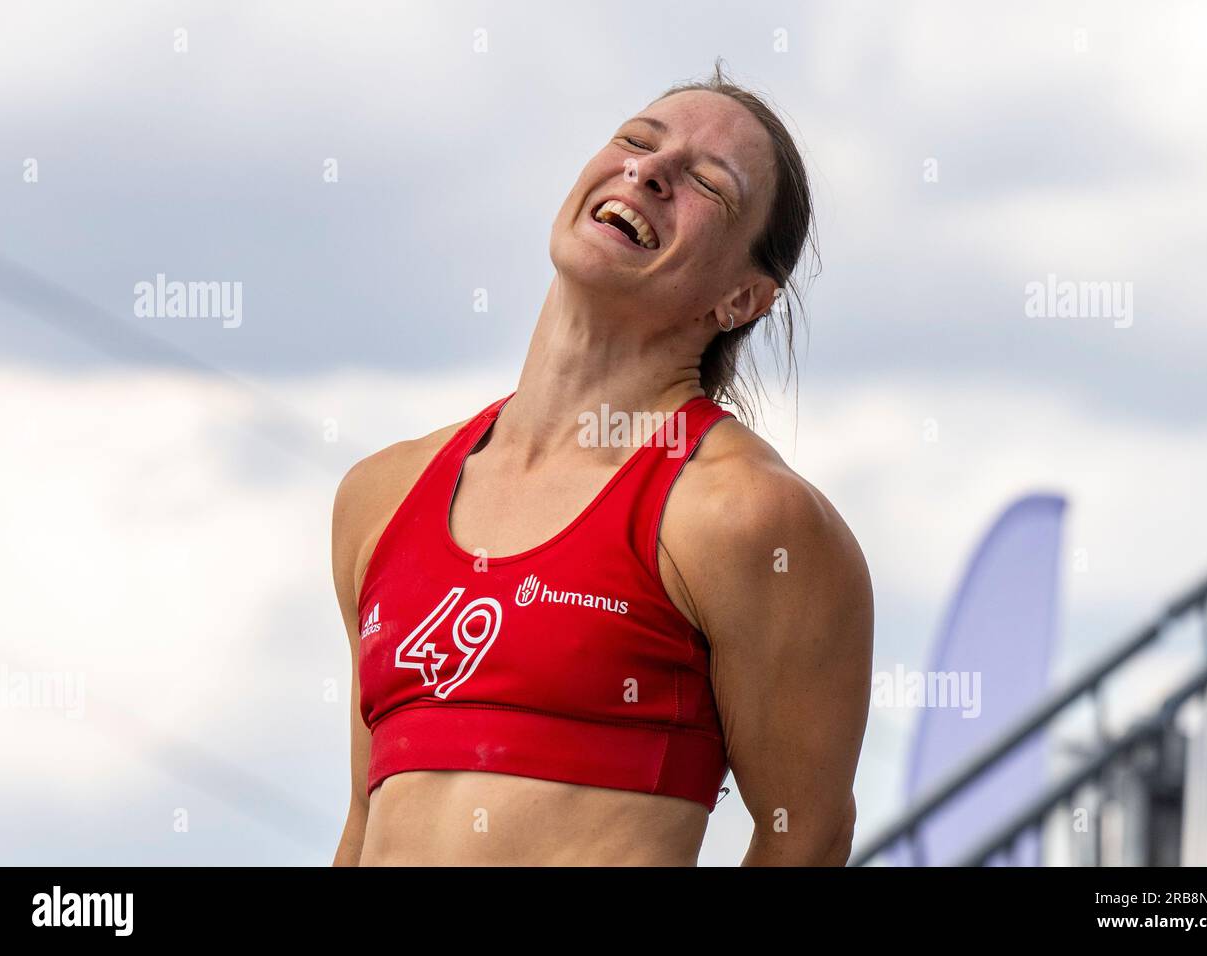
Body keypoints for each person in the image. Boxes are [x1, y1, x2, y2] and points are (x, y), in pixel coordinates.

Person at [330, 62, 873, 866]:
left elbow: (807, 837)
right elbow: (361, 823)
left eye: (707, 185)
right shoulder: (382, 493)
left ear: (743, 300)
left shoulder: (748, 516)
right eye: (636, 141)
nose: (648, 171)